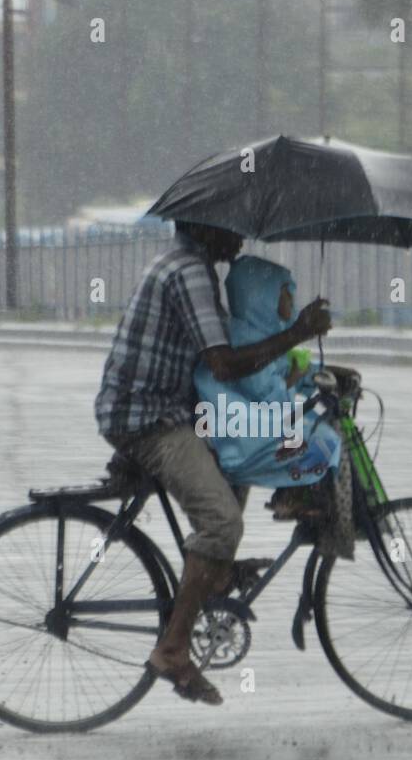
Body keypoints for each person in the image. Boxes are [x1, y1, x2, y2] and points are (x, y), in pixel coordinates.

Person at [94, 221, 331, 705]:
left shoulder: (192, 268)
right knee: (222, 522)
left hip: (171, 408)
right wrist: (298, 333)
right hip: (149, 418)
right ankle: (174, 651)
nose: (241, 238)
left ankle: (215, 572)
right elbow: (225, 364)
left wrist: (301, 369)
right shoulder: (189, 274)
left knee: (237, 456)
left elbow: (238, 368)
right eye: (231, 228)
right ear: (205, 228)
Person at [192, 255, 341, 513]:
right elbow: (267, 393)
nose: (292, 302)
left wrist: (314, 374)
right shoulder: (244, 338)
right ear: (263, 296)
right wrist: (294, 379)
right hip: (240, 437)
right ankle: (293, 494)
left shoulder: (260, 332)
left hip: (245, 427)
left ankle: (294, 490)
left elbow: (282, 370)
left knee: (310, 429)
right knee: (323, 439)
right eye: (286, 294)